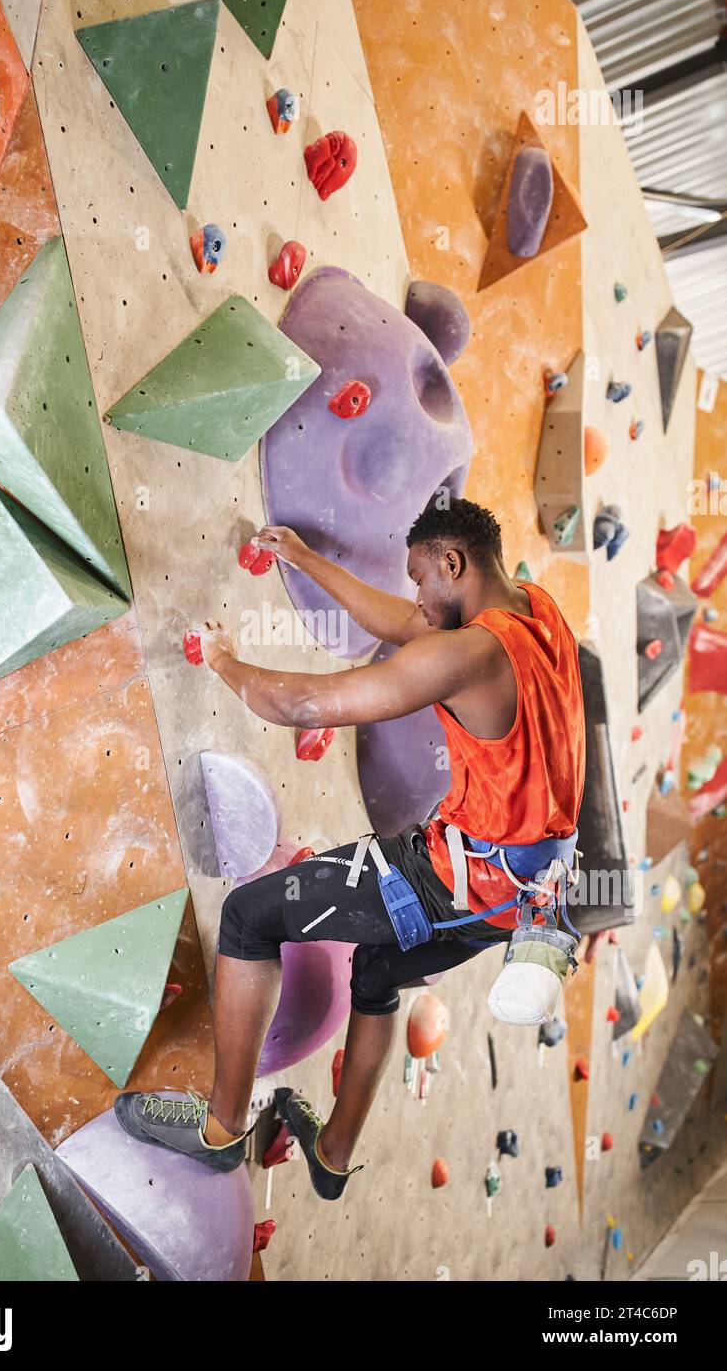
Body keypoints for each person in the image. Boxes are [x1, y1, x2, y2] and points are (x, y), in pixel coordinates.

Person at [115, 497, 585, 1200]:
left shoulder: (470, 654)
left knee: (248, 917)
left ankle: (218, 1133)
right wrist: (304, 558)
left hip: (454, 885)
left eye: (422, 579)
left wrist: (224, 662)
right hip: (522, 892)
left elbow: (303, 705)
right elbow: (406, 626)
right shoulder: (537, 610)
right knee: (374, 973)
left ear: (452, 563)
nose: (418, 598)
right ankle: (332, 1154)